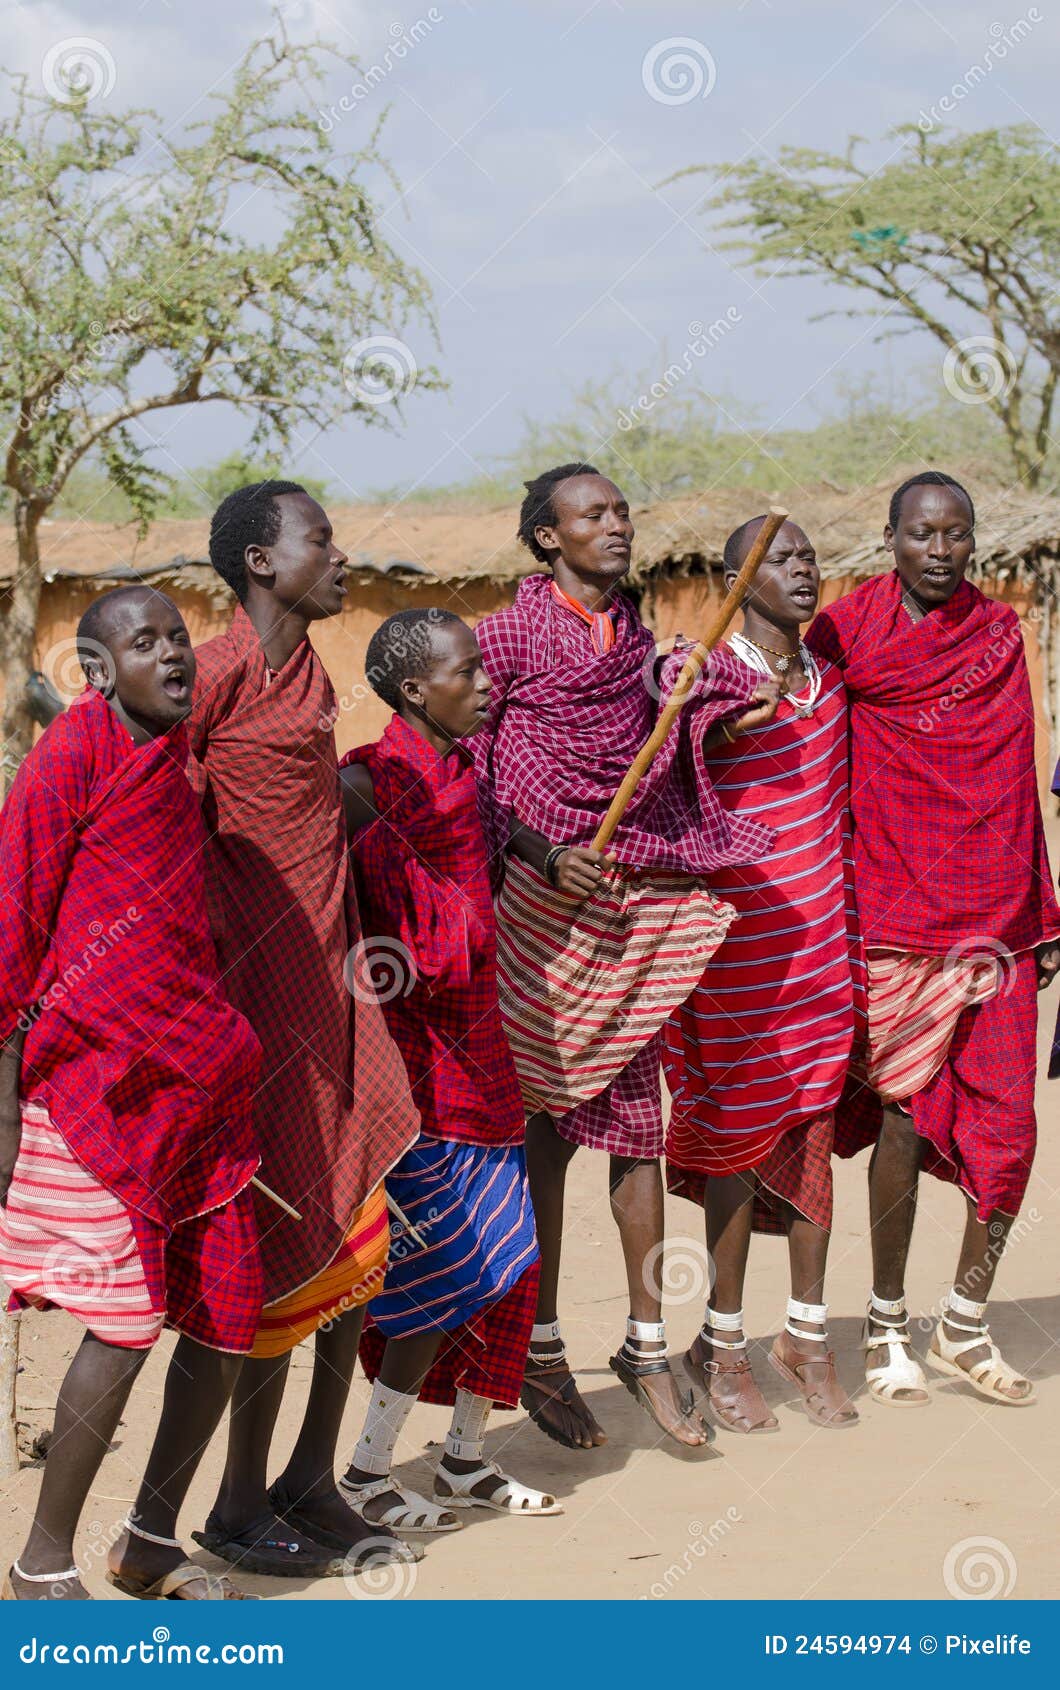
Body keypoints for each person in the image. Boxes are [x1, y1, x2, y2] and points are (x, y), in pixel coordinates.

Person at [473, 462, 775, 1452]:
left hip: (631, 902)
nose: (615, 525)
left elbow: (716, 699)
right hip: (543, 913)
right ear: (545, 539)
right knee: (544, 1133)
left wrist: (694, 688)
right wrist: (533, 849)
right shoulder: (508, 636)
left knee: (638, 1124)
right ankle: (541, 1347)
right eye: (590, 515)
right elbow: (472, 758)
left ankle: (646, 1345)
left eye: (620, 511)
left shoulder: (642, 639)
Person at [0, 588, 264, 1601]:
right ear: (100, 670)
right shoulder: (71, 755)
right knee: (122, 1317)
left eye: (175, 637)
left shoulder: (179, 758)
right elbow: (16, 918)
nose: (171, 655)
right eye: (142, 642)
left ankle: (150, 1539)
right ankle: (41, 1561)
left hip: (200, 1082)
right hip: (97, 1086)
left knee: (229, 1312)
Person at [185, 483, 421, 1576]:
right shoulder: (214, 674)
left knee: (352, 1237)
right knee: (281, 1255)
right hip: (255, 1014)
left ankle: (309, 1478)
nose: (340, 554)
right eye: (319, 539)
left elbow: (305, 807)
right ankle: (232, 1508)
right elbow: (164, 823)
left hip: (332, 994)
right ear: (260, 564)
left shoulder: (310, 675)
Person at [807, 471, 1060, 1407]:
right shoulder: (847, 630)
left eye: (958, 534)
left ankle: (964, 1319)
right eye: (924, 534)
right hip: (892, 909)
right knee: (906, 1117)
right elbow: (806, 746)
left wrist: (1043, 904)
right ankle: (882, 1323)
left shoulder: (998, 635)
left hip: (996, 919)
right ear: (892, 538)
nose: (942, 550)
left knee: (1011, 1127)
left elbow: (1017, 777)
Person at [336, 610, 560, 1531]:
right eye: (467, 672)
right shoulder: (368, 782)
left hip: (485, 1051)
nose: (485, 683)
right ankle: (365, 1471)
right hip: (415, 1065)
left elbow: (499, 838)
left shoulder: (468, 768)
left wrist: (552, 857)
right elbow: (415, 933)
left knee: (511, 1265)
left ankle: (466, 1461)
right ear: (416, 691)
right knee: (443, 1272)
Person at [663, 518, 859, 1433]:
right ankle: (723, 1343)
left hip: (823, 944)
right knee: (738, 1144)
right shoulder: (703, 677)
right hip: (737, 954)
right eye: (781, 560)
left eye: (810, 559)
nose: (804, 573)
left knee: (813, 1132)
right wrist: (709, 728)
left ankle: (809, 1338)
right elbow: (665, 765)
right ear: (739, 579)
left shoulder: (829, 682)